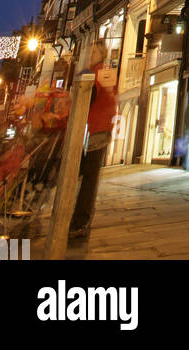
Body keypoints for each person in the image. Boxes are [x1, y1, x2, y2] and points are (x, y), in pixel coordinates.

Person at [69, 42, 118, 242]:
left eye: (93, 52)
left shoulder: (101, 73)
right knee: (83, 178)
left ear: (101, 54)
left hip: (96, 132)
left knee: (88, 179)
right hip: (89, 131)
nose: (89, 54)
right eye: (88, 52)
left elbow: (97, 98)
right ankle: (79, 217)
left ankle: (80, 220)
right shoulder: (92, 73)